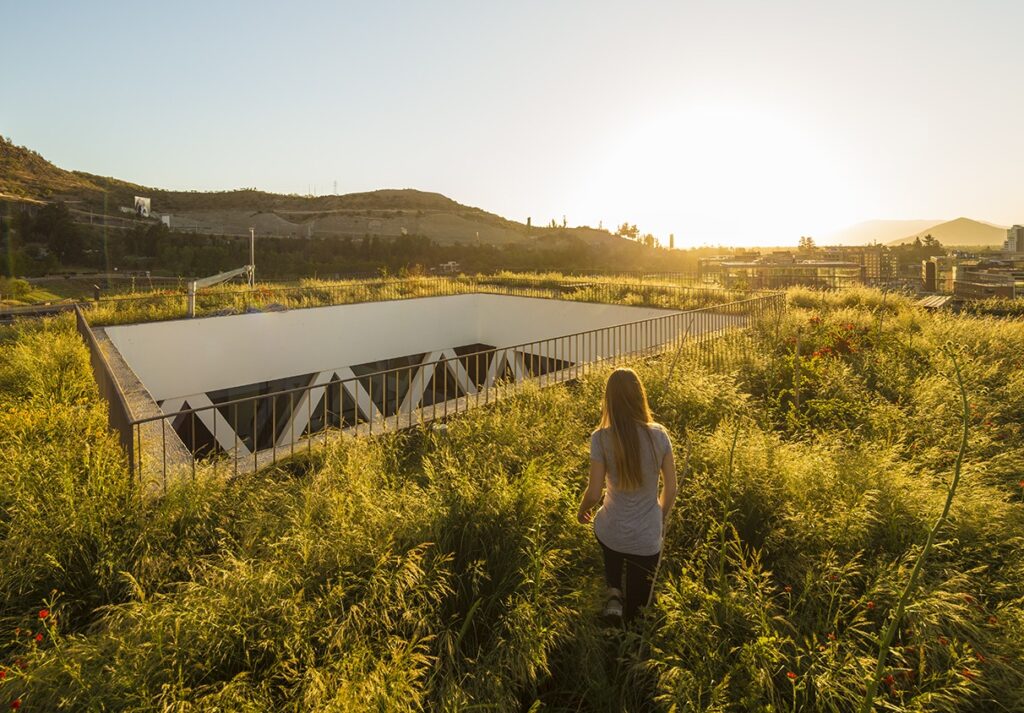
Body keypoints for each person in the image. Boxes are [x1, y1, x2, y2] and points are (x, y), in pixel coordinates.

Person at [577, 368, 677, 622]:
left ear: (609, 400)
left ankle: (613, 591)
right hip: (647, 538)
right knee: (639, 606)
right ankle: (630, 619)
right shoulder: (660, 435)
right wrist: (658, 518)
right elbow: (671, 489)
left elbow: (594, 491)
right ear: (639, 396)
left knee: (605, 529)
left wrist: (581, 511)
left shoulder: (600, 438)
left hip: (612, 531)